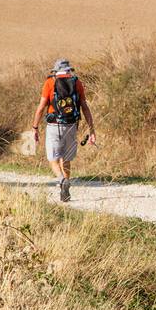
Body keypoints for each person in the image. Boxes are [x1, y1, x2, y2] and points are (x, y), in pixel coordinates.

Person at [31, 58, 95, 203]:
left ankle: (61, 181)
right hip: (72, 125)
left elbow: (41, 107)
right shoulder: (77, 82)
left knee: (53, 159)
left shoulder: (50, 82)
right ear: (69, 70)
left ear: (55, 71)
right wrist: (92, 130)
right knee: (66, 159)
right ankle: (65, 185)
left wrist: (35, 127)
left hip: (54, 125)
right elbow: (85, 107)